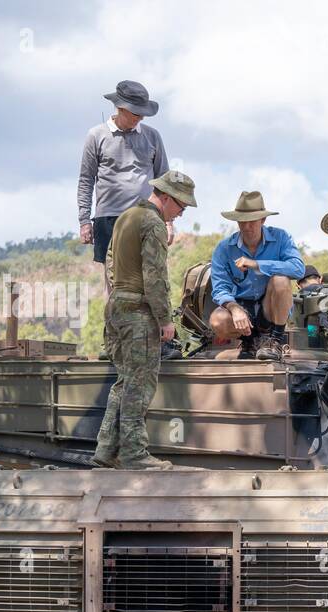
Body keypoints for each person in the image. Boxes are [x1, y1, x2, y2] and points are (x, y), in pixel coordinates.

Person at [90, 170, 195, 470]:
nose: (182, 211)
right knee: (140, 385)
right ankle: (135, 454)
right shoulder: (153, 223)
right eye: (181, 205)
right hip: (139, 313)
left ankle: (106, 450)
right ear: (165, 197)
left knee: (124, 382)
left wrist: (120, 296)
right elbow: (155, 275)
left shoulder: (125, 217)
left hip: (116, 308)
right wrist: (165, 319)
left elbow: (110, 264)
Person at [77, 81, 170, 276]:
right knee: (114, 280)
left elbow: (164, 180)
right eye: (136, 112)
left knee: (149, 277)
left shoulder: (152, 136)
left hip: (147, 218)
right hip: (109, 218)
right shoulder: (96, 135)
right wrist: (84, 221)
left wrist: (168, 222)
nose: (141, 117)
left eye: (143, 112)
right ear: (121, 108)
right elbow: (86, 180)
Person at [208, 191, 306, 360]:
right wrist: (234, 308)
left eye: (252, 222)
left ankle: (274, 341)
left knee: (281, 280)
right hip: (241, 308)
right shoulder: (224, 249)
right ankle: (250, 342)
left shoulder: (281, 238)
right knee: (217, 320)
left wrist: (257, 265)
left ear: (263, 220)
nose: (247, 227)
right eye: (242, 222)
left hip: (270, 306)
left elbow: (298, 269)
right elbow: (220, 288)